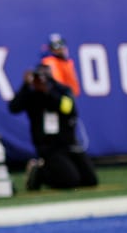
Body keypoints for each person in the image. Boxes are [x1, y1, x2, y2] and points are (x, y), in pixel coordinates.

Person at [8, 63, 98, 191]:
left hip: (69, 144)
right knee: (70, 181)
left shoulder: (61, 90)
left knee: (90, 180)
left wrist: (48, 92)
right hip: (49, 148)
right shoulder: (31, 95)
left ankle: (43, 171)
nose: (41, 81)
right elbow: (13, 108)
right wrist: (25, 85)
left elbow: (68, 109)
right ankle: (40, 173)